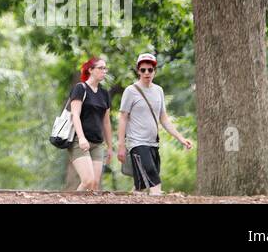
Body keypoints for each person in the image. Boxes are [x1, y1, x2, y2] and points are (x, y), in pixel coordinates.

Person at [116, 52, 193, 195]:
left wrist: (181, 139)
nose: (146, 73)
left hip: (153, 144)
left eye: (150, 70)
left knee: (140, 188)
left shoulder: (159, 91)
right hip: (137, 144)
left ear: (154, 71)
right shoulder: (130, 91)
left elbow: (164, 119)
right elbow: (122, 118)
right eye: (143, 70)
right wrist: (121, 145)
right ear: (138, 71)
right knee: (154, 182)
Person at [68, 56, 113, 192]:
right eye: (101, 68)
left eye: (105, 68)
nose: (104, 71)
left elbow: (106, 122)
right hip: (79, 141)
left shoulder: (104, 93)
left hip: (97, 143)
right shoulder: (80, 88)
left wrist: (110, 147)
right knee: (88, 181)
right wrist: (81, 138)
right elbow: (74, 114)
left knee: (94, 185)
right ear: (91, 70)